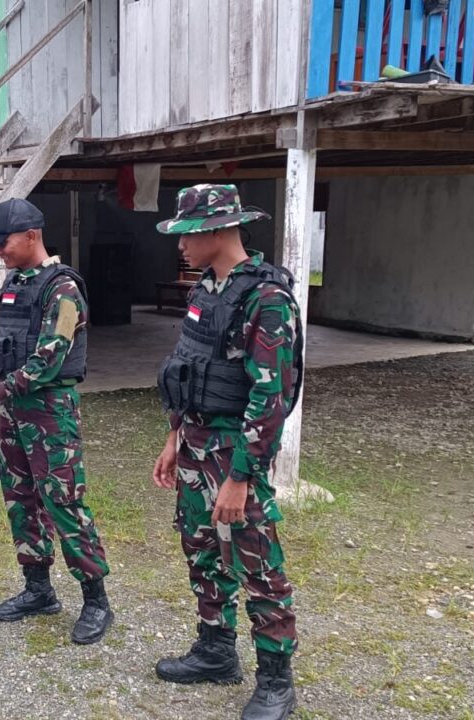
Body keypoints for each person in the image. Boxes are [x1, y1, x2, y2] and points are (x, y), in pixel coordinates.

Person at [148, 185, 303, 720]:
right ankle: (215, 649)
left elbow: (271, 396)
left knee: (257, 562)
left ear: (218, 231)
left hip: (236, 453)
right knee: (202, 552)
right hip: (194, 445)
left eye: (188, 235)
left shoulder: (268, 299)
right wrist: (173, 437)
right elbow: (186, 370)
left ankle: (276, 679)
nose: (180, 247)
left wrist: (241, 477)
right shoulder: (203, 293)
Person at [0, 198, 114, 645]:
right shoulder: (15, 285)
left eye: (2, 243)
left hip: (50, 414)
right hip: (14, 413)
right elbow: (8, 350)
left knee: (64, 502)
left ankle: (96, 600)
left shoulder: (63, 290)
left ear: (31, 236)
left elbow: (48, 360)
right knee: (21, 499)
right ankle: (38, 591)